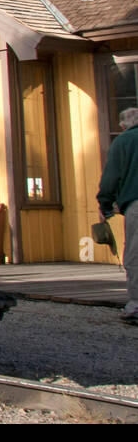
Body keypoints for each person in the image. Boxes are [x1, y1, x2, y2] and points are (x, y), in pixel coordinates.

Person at [98, 106, 138, 326]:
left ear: (123, 126)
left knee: (136, 256)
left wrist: (105, 204)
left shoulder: (123, 142)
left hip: (136, 203)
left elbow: (110, 178)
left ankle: (136, 306)